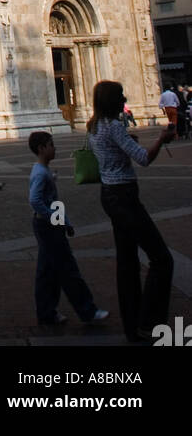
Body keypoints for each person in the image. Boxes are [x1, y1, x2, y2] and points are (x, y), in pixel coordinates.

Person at [88, 80, 175, 344]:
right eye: (121, 95)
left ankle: (133, 325)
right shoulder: (114, 126)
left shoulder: (93, 126)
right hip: (124, 197)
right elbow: (144, 158)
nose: (124, 98)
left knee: (127, 262)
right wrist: (162, 138)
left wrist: (126, 141)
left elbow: (112, 148)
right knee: (162, 259)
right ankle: (150, 323)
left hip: (109, 195)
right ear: (112, 101)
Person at [28, 131, 109, 327]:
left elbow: (52, 202)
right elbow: (35, 200)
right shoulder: (40, 173)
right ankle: (87, 311)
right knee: (67, 268)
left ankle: (47, 313)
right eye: (51, 144)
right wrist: (58, 220)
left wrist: (66, 222)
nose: (55, 148)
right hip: (48, 226)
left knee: (47, 271)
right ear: (41, 148)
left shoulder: (43, 170)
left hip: (46, 224)